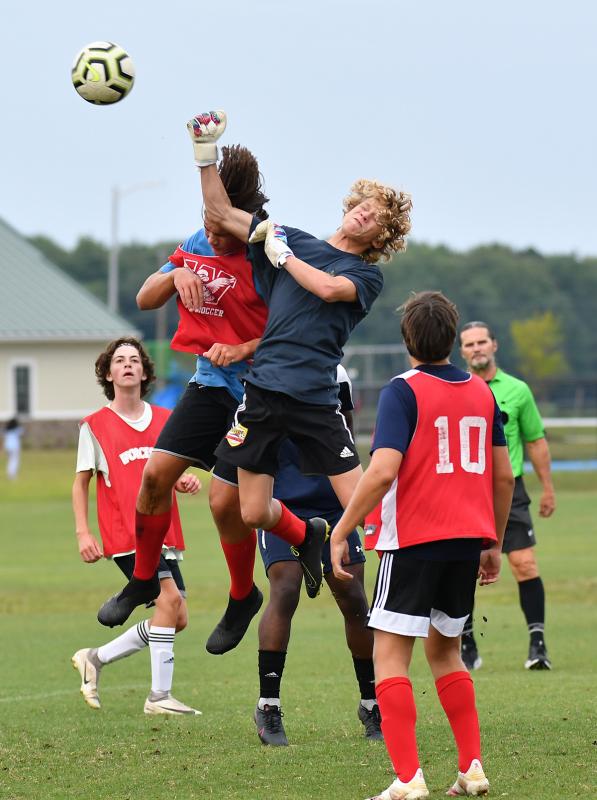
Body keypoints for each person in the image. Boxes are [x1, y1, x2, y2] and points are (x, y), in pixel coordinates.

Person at [196, 109, 413, 607]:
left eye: (378, 216)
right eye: (365, 204)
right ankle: (308, 534)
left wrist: (281, 255)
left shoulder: (363, 274)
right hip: (265, 392)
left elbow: (328, 287)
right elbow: (219, 213)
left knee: (365, 505)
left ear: (381, 237)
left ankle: (406, 579)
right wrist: (204, 152)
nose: (366, 213)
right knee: (252, 512)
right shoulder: (289, 236)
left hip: (316, 399)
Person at [329, 292, 514, 800]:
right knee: (447, 652)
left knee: (389, 655)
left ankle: (408, 778)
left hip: (411, 540)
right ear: (454, 339)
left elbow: (384, 469)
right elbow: (503, 476)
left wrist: (343, 528)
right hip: (464, 542)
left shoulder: (401, 391)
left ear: (408, 340)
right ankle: (471, 768)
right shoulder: (483, 392)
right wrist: (492, 540)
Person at [97, 147, 274, 656]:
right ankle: (144, 581)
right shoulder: (196, 242)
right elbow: (144, 297)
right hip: (208, 384)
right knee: (154, 477)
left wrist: (242, 347)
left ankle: (243, 596)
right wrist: (175, 275)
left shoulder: (268, 255)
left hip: (255, 396)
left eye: (223, 229)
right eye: (208, 223)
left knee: (225, 503)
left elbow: (295, 333)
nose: (213, 236)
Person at [72, 337, 202, 715]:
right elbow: (81, 482)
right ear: (108, 372)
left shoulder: (165, 419)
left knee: (177, 618)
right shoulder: (94, 426)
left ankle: (95, 658)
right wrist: (83, 532)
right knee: (169, 601)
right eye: (119, 360)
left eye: (134, 360)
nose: (127, 365)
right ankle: (159, 698)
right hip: (126, 533)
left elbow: (168, 469)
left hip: (164, 530)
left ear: (144, 372)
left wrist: (184, 479)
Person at [254, 366, 381, 746]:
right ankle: (268, 706)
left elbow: (346, 435)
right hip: (281, 505)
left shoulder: (335, 372)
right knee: (287, 588)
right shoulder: (263, 373)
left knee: (354, 597)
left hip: (333, 504)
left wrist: (353, 504)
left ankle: (372, 703)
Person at [459, 321, 556, 671]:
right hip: (467, 490)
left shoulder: (518, 390)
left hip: (509, 489)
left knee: (525, 564)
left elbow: (535, 440)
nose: (476, 348)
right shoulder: (457, 387)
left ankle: (538, 645)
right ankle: (466, 642)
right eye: (469, 344)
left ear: (495, 345)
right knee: (462, 568)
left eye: (482, 341)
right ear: (461, 352)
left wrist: (547, 487)